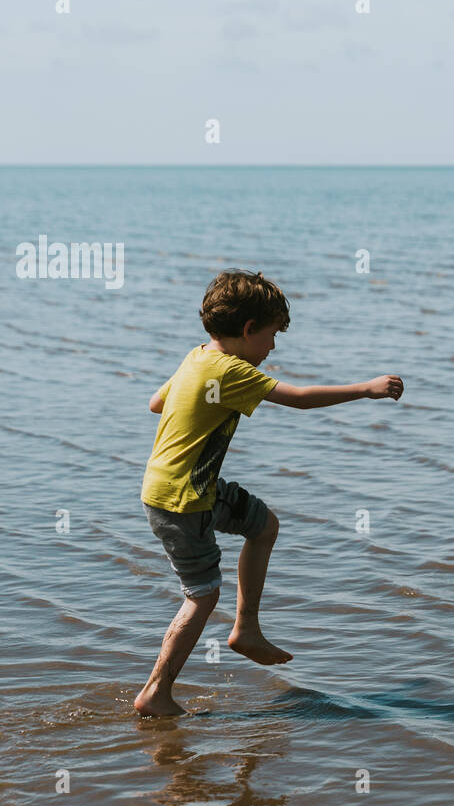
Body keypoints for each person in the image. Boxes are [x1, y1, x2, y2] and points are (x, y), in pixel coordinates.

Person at [135, 269, 403, 716]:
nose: (273, 347)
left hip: (178, 487)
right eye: (272, 335)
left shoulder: (197, 357)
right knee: (201, 595)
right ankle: (155, 693)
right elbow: (298, 397)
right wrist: (366, 389)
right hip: (184, 501)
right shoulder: (231, 369)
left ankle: (246, 629)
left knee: (263, 525)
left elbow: (155, 403)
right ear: (247, 330)